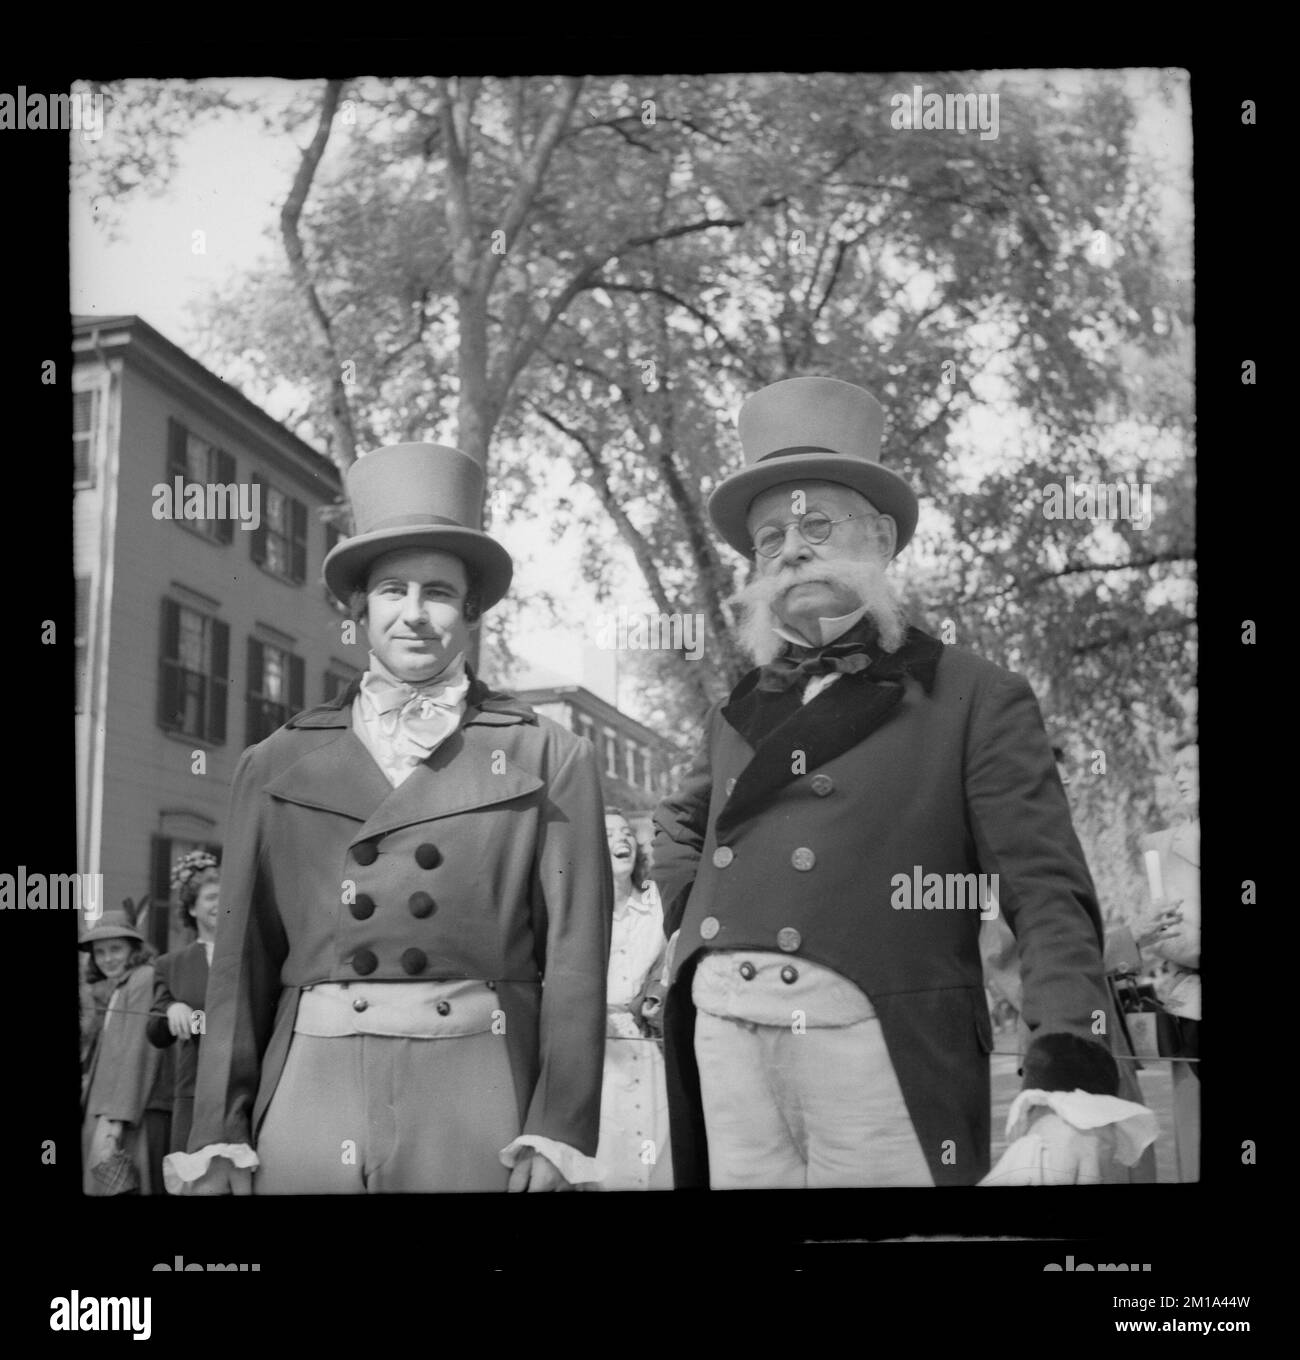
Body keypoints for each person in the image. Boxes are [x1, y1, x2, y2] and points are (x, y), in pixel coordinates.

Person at [651, 376, 1155, 1189]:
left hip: (877, 1042)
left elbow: (1045, 891)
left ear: (881, 538)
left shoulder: (974, 693)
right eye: (770, 535)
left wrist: (1068, 1069)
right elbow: (676, 827)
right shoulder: (737, 708)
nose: (791, 548)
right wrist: (698, 915)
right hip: (722, 1038)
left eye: (817, 523)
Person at [166, 442, 611, 1195]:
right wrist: (218, 1132)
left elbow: (574, 962)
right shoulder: (272, 763)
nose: (414, 614)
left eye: (438, 591)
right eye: (392, 590)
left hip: (476, 1077)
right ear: (358, 609)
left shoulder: (550, 755)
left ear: (471, 608)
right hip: (314, 1075)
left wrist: (558, 1129)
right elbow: (239, 967)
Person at [593, 809, 673, 1190]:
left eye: (627, 833)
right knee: (609, 1155)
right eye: (609, 834)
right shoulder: (581, 911)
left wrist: (656, 992)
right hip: (597, 1047)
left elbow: (672, 958)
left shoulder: (655, 902)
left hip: (648, 1041)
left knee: (655, 1151)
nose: (622, 839)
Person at [1138, 737, 1200, 1181]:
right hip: (1191, 1008)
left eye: (1190, 767)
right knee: (1195, 1135)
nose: (1178, 777)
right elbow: (1163, 934)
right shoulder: (1159, 846)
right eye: (1175, 768)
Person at [80, 908, 167, 1194]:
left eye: (116, 949)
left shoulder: (143, 977)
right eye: (100, 952)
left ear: (134, 949)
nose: (108, 959)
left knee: (120, 1185)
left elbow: (137, 1050)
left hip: (122, 1113)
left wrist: (117, 1121)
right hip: (104, 1107)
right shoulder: (118, 986)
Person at [147, 852, 220, 1156]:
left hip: (248, 1085)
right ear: (191, 907)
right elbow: (155, 1032)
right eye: (212, 897)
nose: (222, 902)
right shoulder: (171, 964)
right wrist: (171, 1009)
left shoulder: (253, 957)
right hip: (196, 1092)